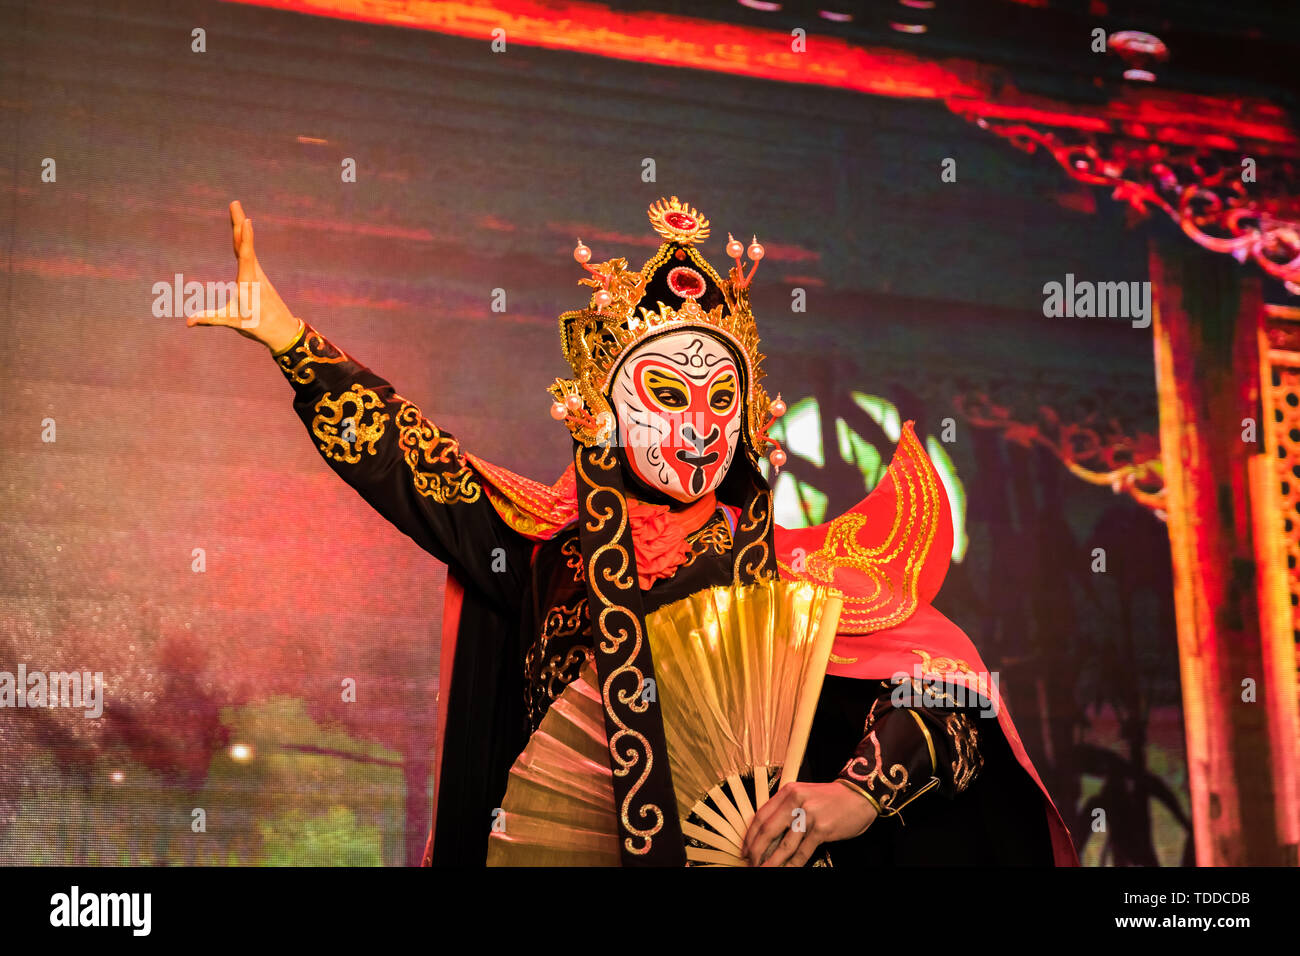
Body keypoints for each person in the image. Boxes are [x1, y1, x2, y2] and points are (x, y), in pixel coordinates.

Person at [190, 197, 1077, 867]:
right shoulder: (543, 548)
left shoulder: (793, 580)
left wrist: (849, 798)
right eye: (666, 392)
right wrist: (290, 339)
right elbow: (416, 464)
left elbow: (953, 693)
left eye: (721, 399)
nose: (698, 425)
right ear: (597, 410)